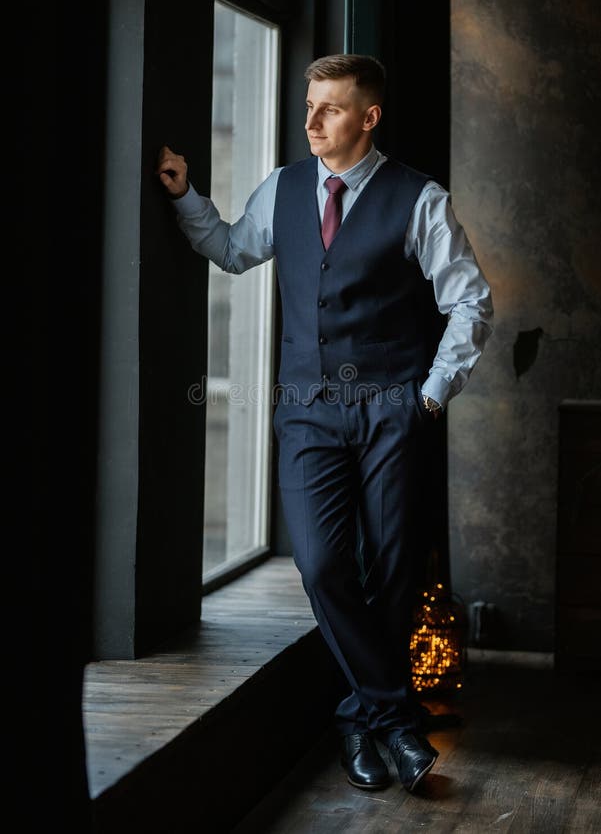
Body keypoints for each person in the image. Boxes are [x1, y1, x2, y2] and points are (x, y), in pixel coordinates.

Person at [156, 54, 493, 794]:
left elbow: (470, 303)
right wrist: (187, 199)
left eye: (329, 109)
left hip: (391, 410)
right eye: (308, 105)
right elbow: (233, 249)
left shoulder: (418, 199)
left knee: (393, 573)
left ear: (367, 118)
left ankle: (357, 718)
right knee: (320, 566)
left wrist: (428, 397)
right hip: (307, 411)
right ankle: (393, 717)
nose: (309, 121)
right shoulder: (282, 187)